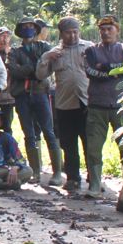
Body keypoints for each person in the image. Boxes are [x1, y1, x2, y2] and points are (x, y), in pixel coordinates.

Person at [36, 17, 91, 193]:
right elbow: (40, 75)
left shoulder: (89, 48)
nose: (73, 35)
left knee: (90, 142)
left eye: (75, 32)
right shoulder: (55, 52)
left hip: (86, 102)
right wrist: (45, 57)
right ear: (61, 34)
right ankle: (73, 179)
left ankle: (94, 177)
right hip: (65, 104)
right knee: (68, 144)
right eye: (68, 32)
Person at [83, 16, 123, 199]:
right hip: (97, 105)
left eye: (109, 29)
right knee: (94, 147)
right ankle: (95, 184)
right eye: (102, 29)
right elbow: (90, 71)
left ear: (117, 30)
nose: (105, 32)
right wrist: (114, 72)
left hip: (121, 105)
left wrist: (105, 67)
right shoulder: (90, 51)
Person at [8, 18, 62, 186]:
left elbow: (46, 69)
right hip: (22, 95)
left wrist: (31, 70)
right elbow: (14, 70)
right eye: (25, 27)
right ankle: (35, 172)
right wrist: (35, 68)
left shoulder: (44, 47)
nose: (28, 29)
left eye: (31, 26)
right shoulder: (15, 51)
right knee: (29, 134)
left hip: (41, 93)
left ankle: (57, 173)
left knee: (49, 131)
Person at [0, 27, 16, 134]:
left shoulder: (13, 53)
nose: (4, 39)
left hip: (8, 97)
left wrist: (8, 55)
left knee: (7, 126)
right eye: (2, 36)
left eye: (7, 36)